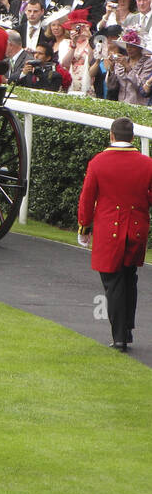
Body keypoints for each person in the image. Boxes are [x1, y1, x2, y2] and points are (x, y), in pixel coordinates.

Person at [78, 117, 152, 352]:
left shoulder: (99, 162)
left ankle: (119, 336)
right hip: (136, 226)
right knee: (129, 278)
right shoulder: (146, 163)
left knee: (114, 282)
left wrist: (84, 226)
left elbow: (88, 197)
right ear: (132, 137)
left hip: (109, 228)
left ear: (112, 135)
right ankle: (127, 328)